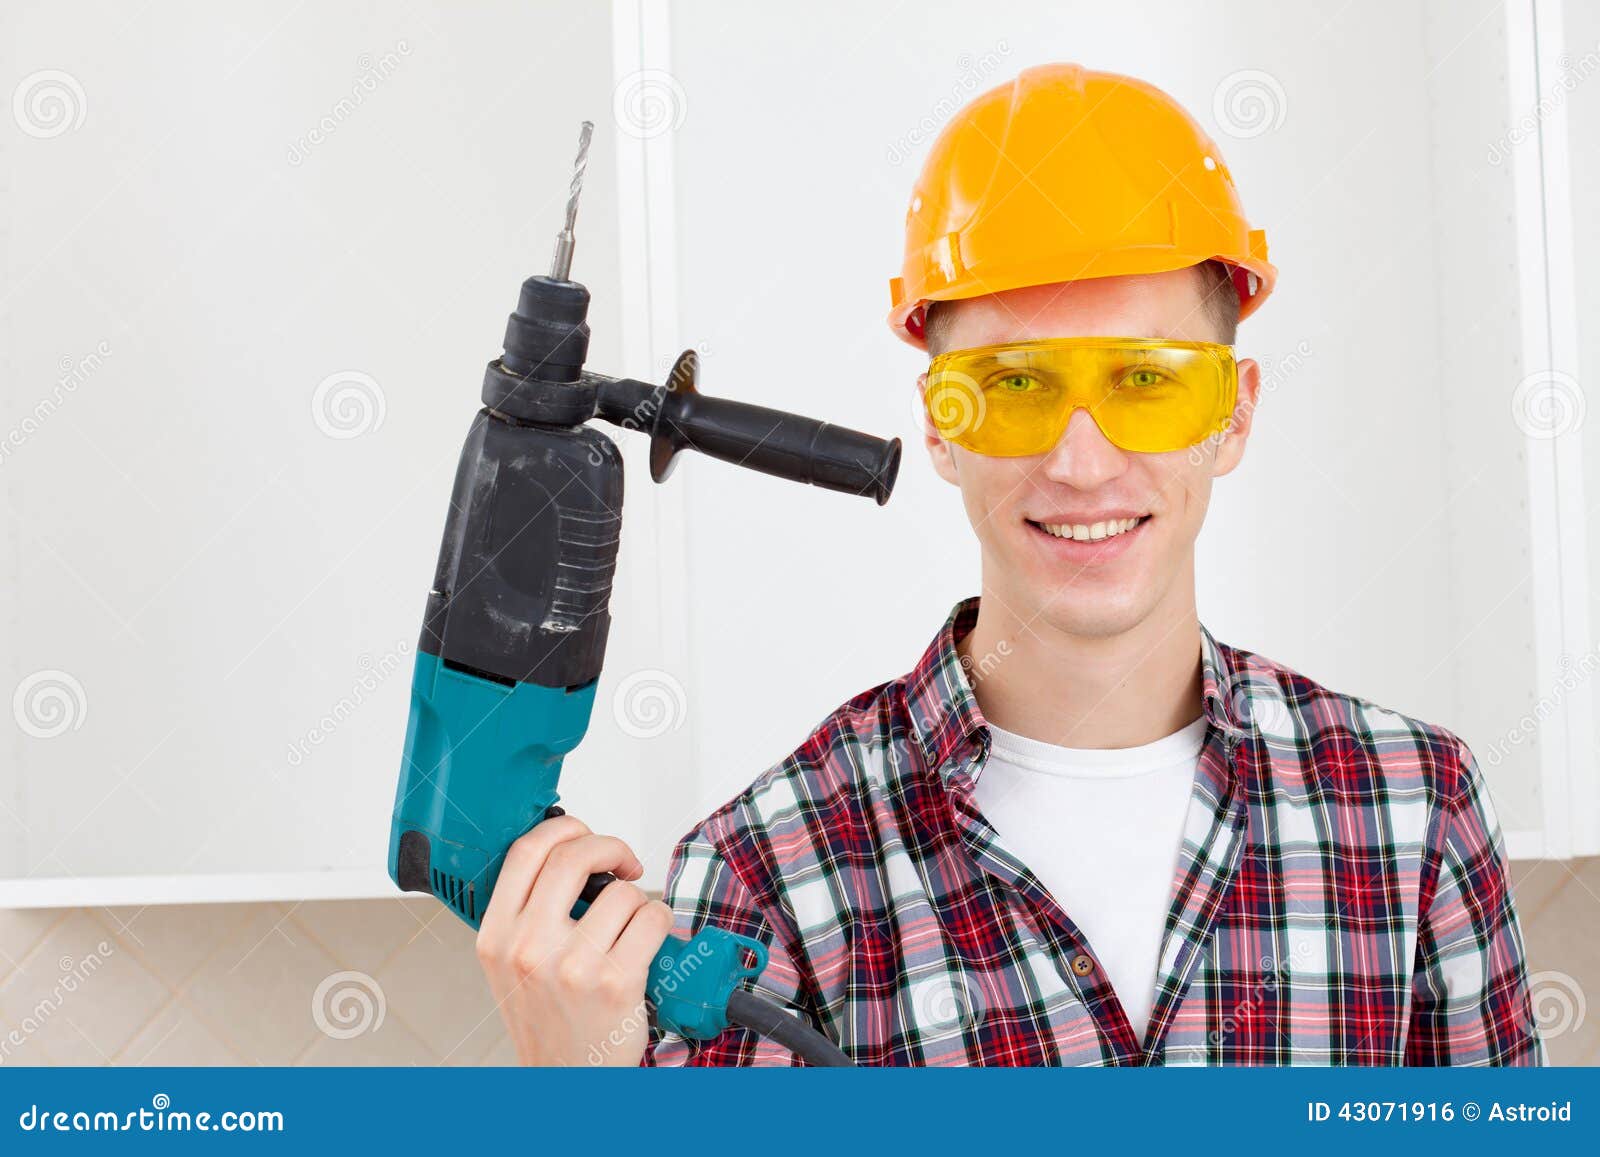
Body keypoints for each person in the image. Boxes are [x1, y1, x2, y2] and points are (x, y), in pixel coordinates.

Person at [475, 62, 1545, 1067]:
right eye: (1017, 386)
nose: (1082, 464)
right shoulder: (770, 873)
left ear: (1234, 412)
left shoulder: (1411, 810)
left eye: (1146, 380)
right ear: (940, 427)